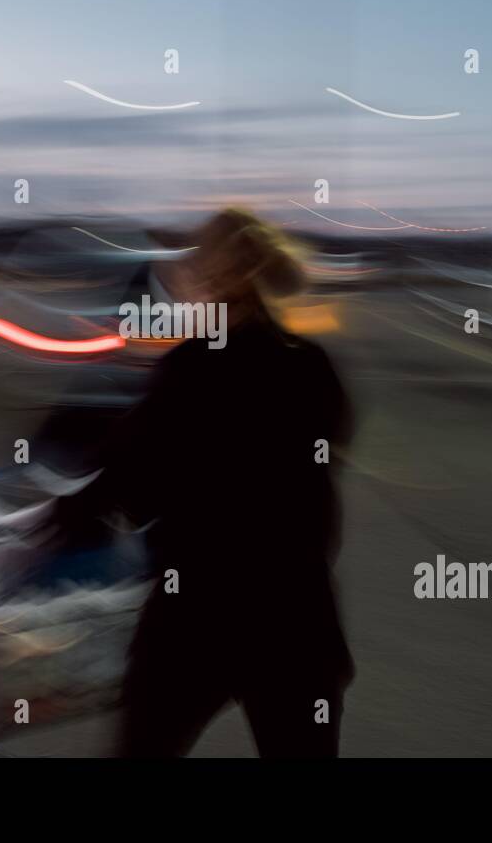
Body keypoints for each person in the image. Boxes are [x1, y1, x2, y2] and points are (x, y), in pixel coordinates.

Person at [56, 207, 355, 757]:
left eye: (196, 260)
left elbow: (126, 484)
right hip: (299, 621)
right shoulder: (314, 366)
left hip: (195, 622)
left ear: (216, 275)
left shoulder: (192, 369)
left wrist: (47, 533)